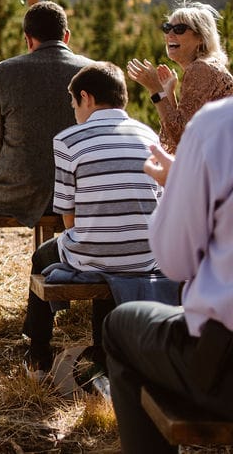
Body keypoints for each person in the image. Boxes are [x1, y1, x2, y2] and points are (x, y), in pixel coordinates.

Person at [103, 96, 233, 453]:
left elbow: (175, 264)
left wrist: (182, 186)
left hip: (225, 370)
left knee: (120, 325)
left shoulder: (218, 126)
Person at [21, 62, 161, 372]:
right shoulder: (149, 135)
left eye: (74, 104)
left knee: (43, 256)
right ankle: (103, 358)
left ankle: (38, 352)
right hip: (149, 256)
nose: (74, 112)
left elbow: (68, 217)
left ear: (86, 97)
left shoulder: (69, 140)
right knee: (103, 251)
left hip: (97, 253)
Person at [0, 1, 92, 294]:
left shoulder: (5, 73)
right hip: (80, 192)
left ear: (28, 39)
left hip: (19, 189)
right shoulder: (90, 71)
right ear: (66, 36)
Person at [127, 0, 233, 153]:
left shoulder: (201, 69)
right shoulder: (205, 66)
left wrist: (155, 89)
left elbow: (182, 137)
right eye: (167, 28)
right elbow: (172, 143)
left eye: (179, 29)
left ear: (200, 38)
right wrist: (168, 93)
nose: (170, 34)